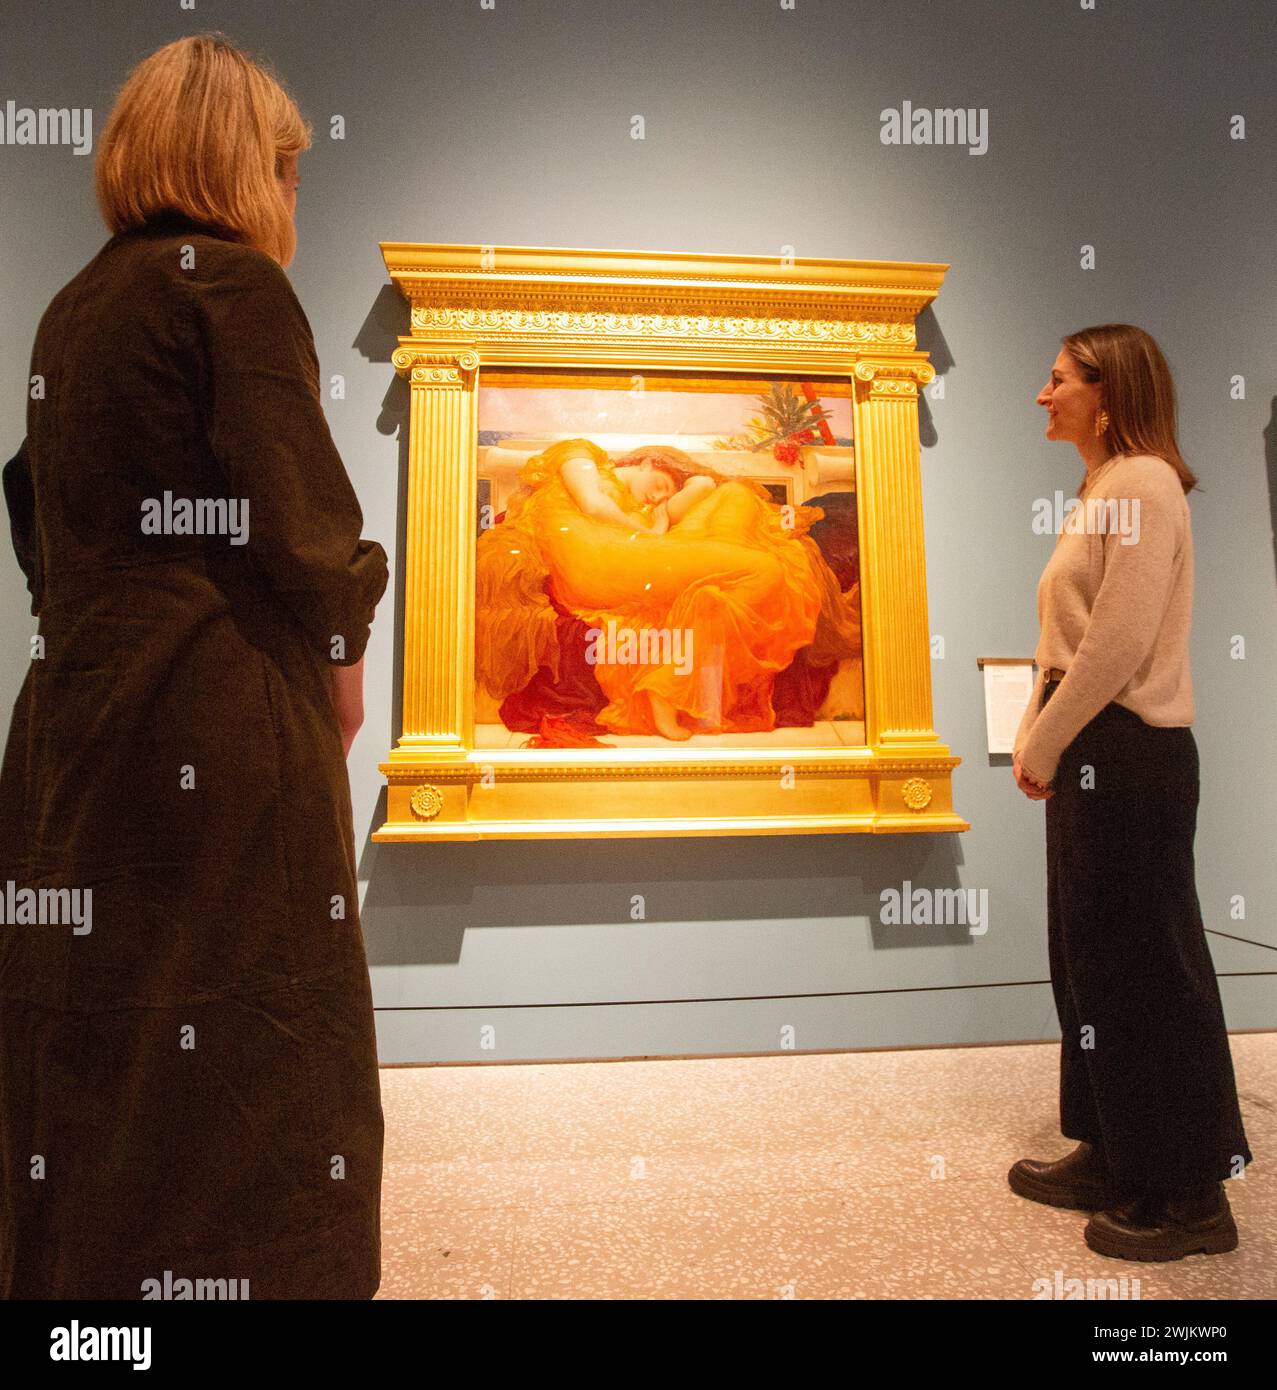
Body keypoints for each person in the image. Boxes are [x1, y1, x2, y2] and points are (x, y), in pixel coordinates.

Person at [0, 34, 388, 1297]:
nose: (293, 195)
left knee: (100, 1039)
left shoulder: (74, 306)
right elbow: (303, 521)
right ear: (250, 164)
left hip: (75, 721)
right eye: (288, 166)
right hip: (217, 718)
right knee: (255, 1041)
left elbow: (37, 523)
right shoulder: (228, 286)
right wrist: (342, 650)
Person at [1008, 324, 1251, 1261]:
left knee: (1148, 971)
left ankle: (1192, 1195)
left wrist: (1040, 738)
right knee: (1090, 963)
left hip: (1126, 752)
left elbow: (1113, 643)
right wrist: (1052, 745)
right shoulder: (1104, 486)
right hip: (1091, 749)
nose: (1043, 393)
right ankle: (1115, 1149)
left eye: (1058, 377)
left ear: (1107, 395)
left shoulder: (1141, 483)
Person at [474, 438, 856, 739]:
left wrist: (685, 496)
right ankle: (671, 684)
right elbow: (592, 505)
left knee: (737, 502)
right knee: (764, 569)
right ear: (644, 463)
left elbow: (672, 513)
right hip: (597, 563)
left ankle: (672, 682)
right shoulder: (581, 456)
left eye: (664, 495)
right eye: (660, 484)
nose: (657, 497)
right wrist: (648, 530)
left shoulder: (640, 511)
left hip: (628, 556)